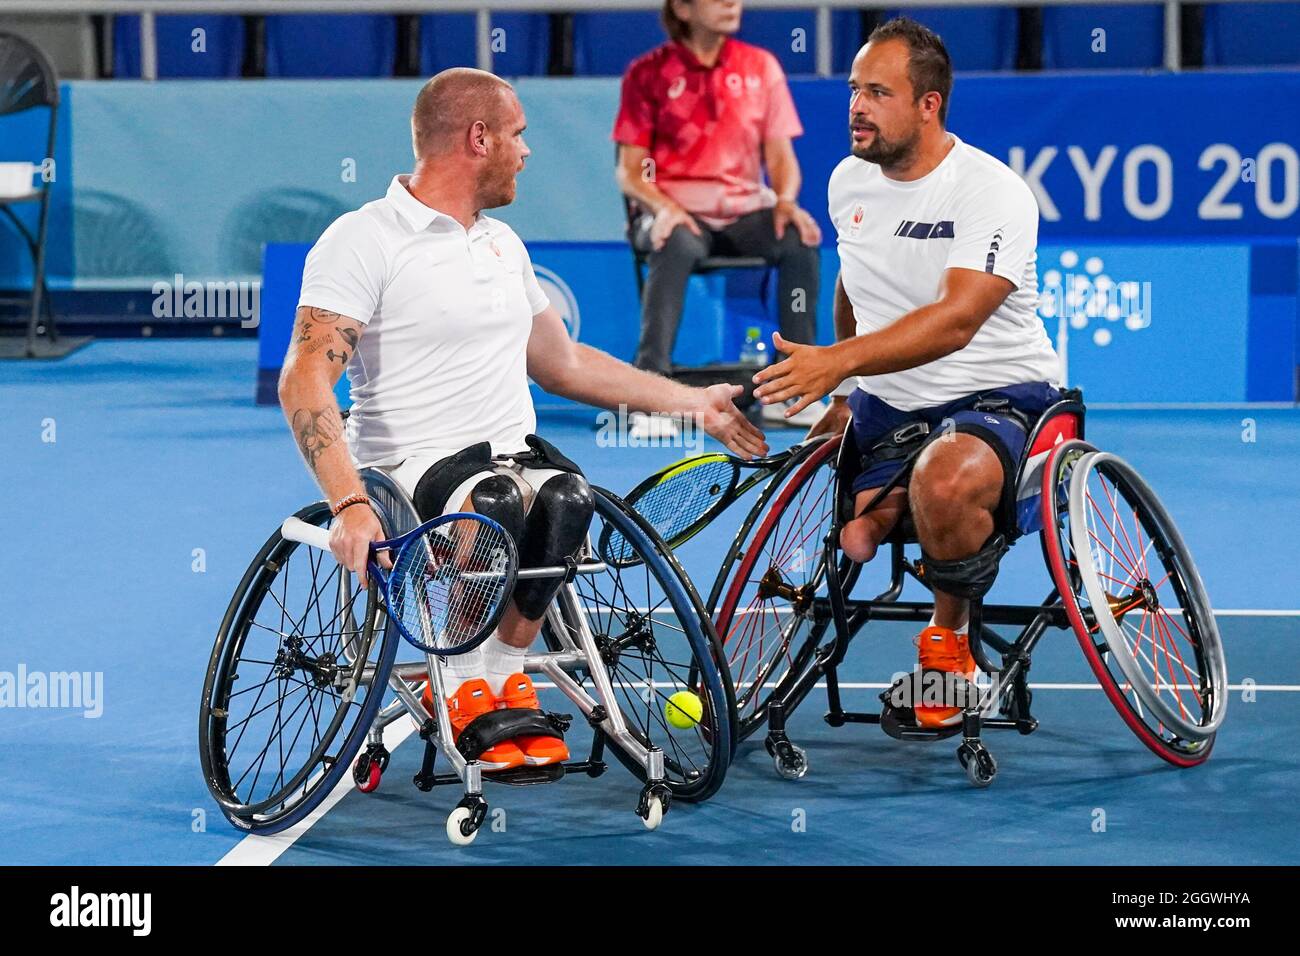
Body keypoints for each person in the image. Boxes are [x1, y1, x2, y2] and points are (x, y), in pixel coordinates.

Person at [279, 68, 767, 771]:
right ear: (479, 138)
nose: (527, 151)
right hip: (411, 470)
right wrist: (349, 502)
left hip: (510, 455)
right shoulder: (364, 239)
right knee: (498, 502)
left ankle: (504, 670)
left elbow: (563, 362)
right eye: (517, 135)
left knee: (566, 497)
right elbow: (304, 379)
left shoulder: (503, 244)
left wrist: (693, 403)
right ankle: (460, 681)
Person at [752, 18, 1063, 728]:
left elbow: (958, 320)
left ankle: (949, 647)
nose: (857, 106)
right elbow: (854, 283)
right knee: (846, 500)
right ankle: (883, 507)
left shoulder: (991, 191)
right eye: (855, 90)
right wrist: (850, 389)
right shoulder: (845, 180)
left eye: (878, 93)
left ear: (929, 105)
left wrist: (840, 362)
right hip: (892, 403)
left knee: (943, 479)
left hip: (1000, 393)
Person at [613, 0, 824, 436]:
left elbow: (780, 156)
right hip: (676, 213)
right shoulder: (647, 73)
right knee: (675, 242)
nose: (732, 2)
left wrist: (785, 201)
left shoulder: (760, 67)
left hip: (744, 214)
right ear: (684, 9)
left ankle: (794, 388)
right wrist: (665, 207)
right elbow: (630, 173)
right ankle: (650, 397)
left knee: (798, 240)